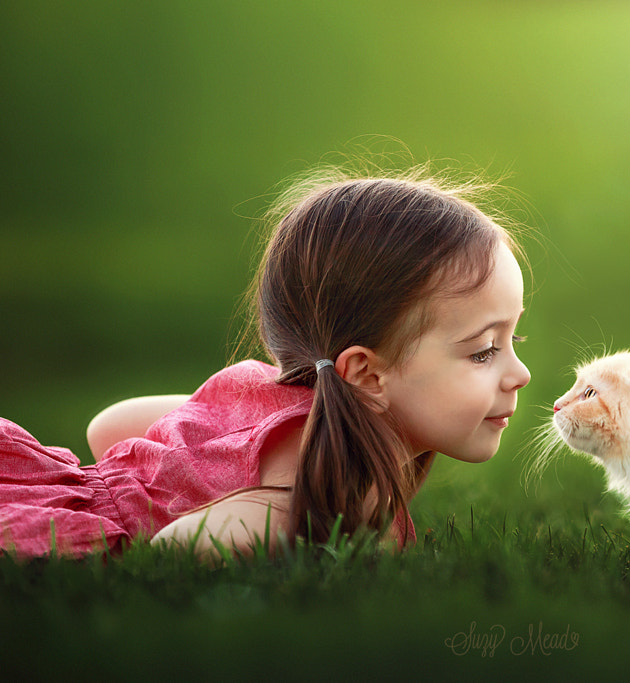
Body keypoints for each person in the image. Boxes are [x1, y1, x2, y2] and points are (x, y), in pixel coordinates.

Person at [0, 169, 531, 558]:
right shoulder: (315, 512)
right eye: (483, 350)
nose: (520, 373)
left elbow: (108, 427)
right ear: (367, 374)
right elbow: (170, 550)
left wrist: (166, 464)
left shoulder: (269, 399)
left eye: (514, 338)